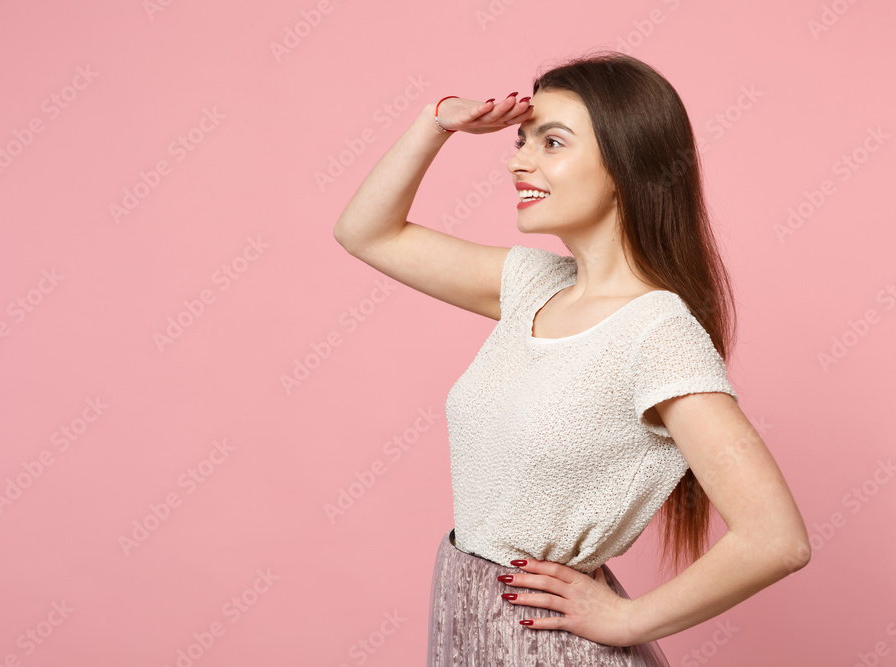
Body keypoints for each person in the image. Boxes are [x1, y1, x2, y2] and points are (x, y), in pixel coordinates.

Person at [333, 51, 811, 667]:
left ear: (626, 167)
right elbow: (366, 232)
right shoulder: (534, 283)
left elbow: (777, 539)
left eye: (551, 142)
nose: (517, 160)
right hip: (467, 622)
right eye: (521, 139)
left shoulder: (656, 331)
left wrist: (629, 618)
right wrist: (437, 124)